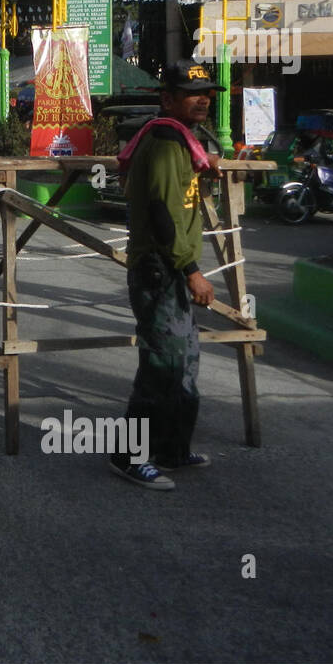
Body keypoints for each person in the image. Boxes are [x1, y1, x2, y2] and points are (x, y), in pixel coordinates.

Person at [111, 58, 224, 490]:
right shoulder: (163, 141)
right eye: (192, 93)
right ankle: (128, 457)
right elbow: (160, 214)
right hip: (161, 269)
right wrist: (192, 271)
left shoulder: (183, 142)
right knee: (161, 366)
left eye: (206, 93)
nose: (203, 99)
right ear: (167, 99)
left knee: (184, 364)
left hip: (174, 268)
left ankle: (172, 449)